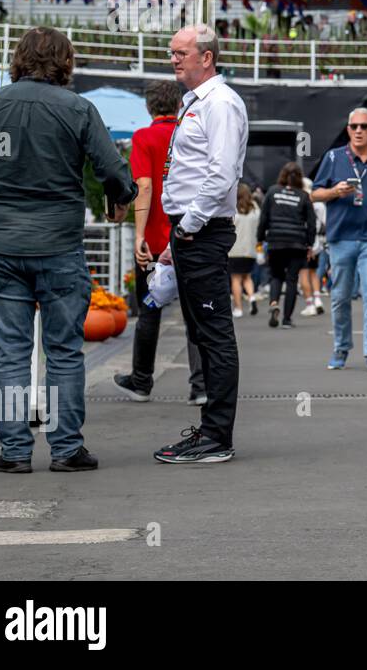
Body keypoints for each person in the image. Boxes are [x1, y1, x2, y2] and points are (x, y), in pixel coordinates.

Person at [0, 27, 136, 473]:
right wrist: (119, 201)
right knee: (63, 349)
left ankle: (15, 452)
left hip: (2, 245)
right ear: (65, 62)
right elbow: (113, 170)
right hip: (59, 246)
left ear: (18, 59)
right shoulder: (78, 108)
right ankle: (66, 448)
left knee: (11, 350)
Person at [155, 23, 249, 464]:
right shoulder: (197, 102)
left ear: (206, 57)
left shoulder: (221, 103)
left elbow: (221, 173)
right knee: (202, 331)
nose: (173, 59)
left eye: (180, 52)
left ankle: (216, 436)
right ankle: (211, 431)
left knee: (213, 334)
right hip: (193, 230)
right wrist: (179, 234)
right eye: (172, 52)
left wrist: (188, 225)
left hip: (203, 229)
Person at [114, 80, 205, 406]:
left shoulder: (143, 137)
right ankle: (200, 386)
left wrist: (139, 235)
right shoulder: (190, 134)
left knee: (150, 309)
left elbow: (145, 186)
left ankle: (141, 382)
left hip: (154, 241)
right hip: (190, 235)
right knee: (195, 312)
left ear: (149, 107)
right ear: (179, 105)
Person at [311, 108, 367, 371]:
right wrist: (334, 192)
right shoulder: (333, 157)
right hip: (341, 239)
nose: (358, 130)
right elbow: (314, 194)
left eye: (363, 126)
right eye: (353, 126)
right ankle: (341, 347)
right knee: (340, 297)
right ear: (348, 129)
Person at [257, 162, 317, 329]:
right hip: (297, 243)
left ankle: (274, 302)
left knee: (276, 276)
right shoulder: (304, 196)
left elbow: (263, 218)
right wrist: (310, 244)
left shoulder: (272, 192)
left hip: (275, 241)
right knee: (292, 280)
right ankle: (287, 319)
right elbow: (311, 224)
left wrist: (260, 239)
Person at [229, 183, 261, 318]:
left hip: (234, 250)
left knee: (235, 279)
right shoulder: (255, 208)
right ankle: (252, 297)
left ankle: (238, 308)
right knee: (247, 276)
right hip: (250, 250)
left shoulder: (232, 208)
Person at [298, 176, 326, 318]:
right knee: (314, 273)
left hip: (303, 241)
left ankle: (309, 304)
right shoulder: (320, 204)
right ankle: (318, 299)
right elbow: (323, 224)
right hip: (317, 242)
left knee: (303, 273)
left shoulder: (301, 201)